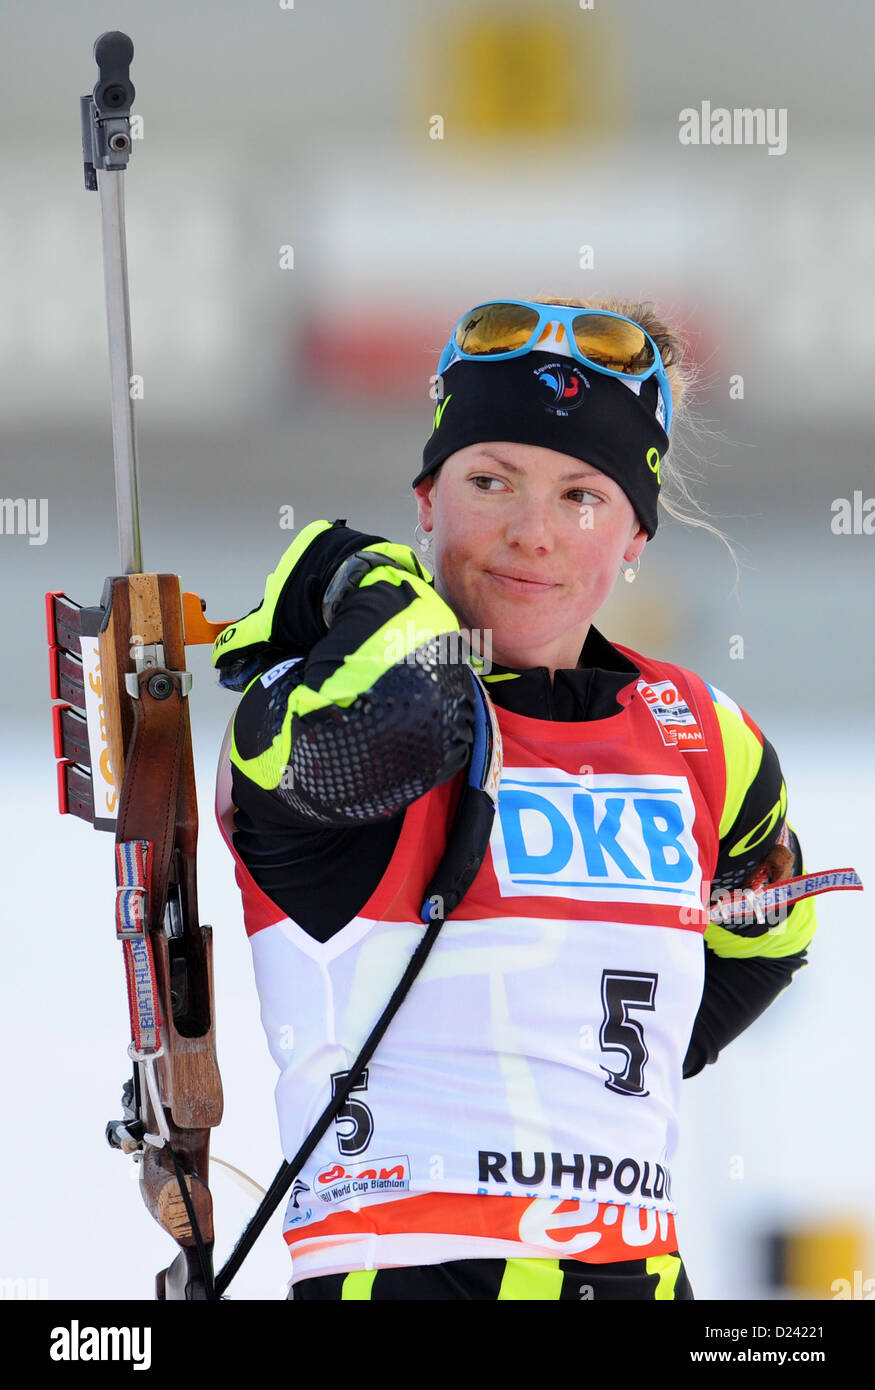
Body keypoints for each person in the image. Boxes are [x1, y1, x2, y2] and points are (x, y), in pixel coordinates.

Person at [212, 296, 817, 1301]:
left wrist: (600, 1076)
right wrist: (354, 576)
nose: (530, 533)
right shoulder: (322, 706)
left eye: (582, 496)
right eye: (488, 481)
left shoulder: (705, 735)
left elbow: (767, 933)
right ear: (425, 499)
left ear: (635, 533)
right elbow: (382, 719)